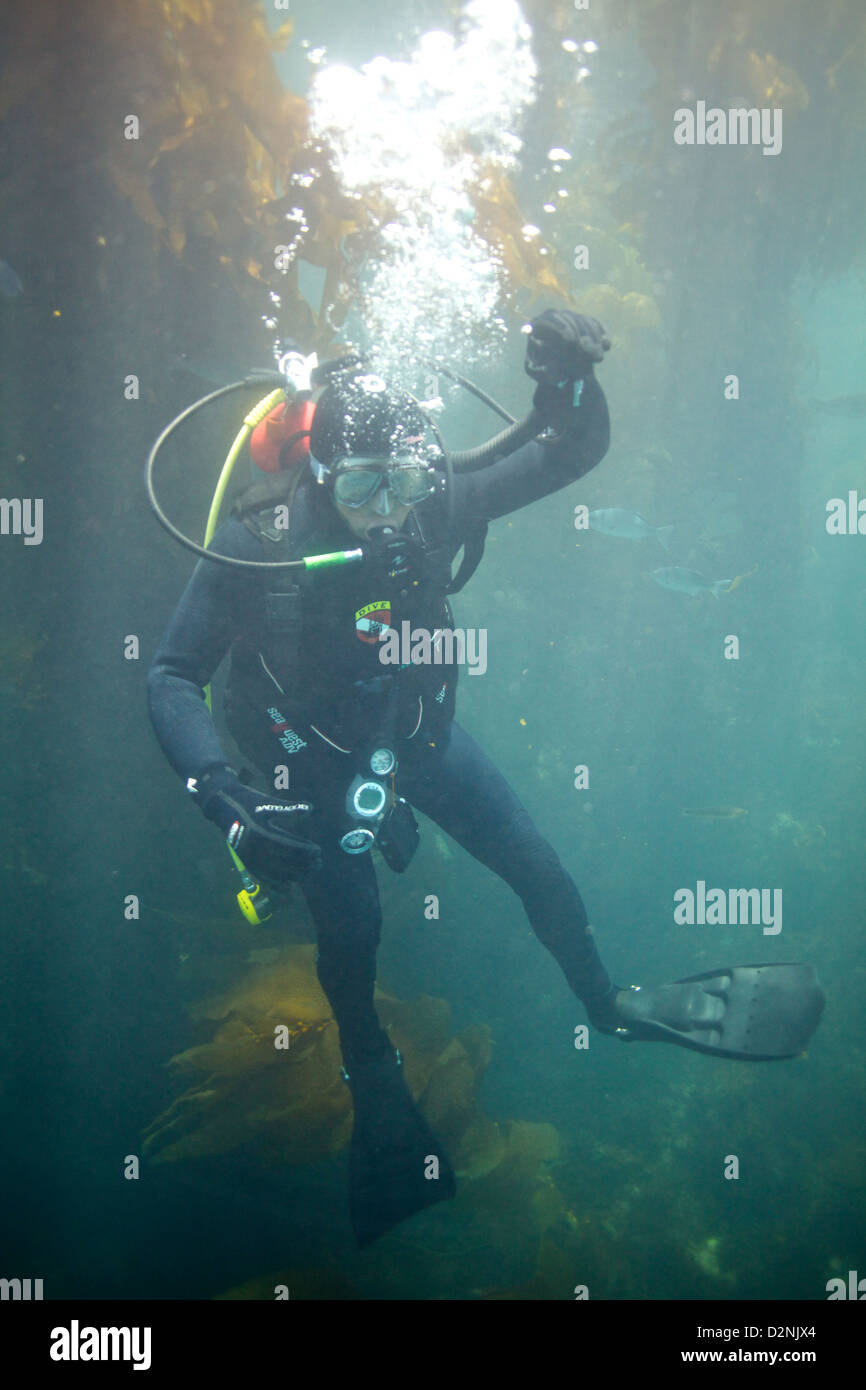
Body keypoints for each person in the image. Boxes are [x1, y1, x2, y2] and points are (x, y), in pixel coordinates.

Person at [147, 310, 823, 1246]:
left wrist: (573, 381)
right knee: (355, 939)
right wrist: (224, 795)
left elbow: (567, 455)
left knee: (538, 867)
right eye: (362, 486)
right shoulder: (258, 544)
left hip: (418, 740)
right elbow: (172, 673)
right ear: (316, 476)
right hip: (305, 769)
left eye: (408, 482)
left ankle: (609, 1004)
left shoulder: (435, 503)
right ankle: (374, 1077)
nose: (390, 508)